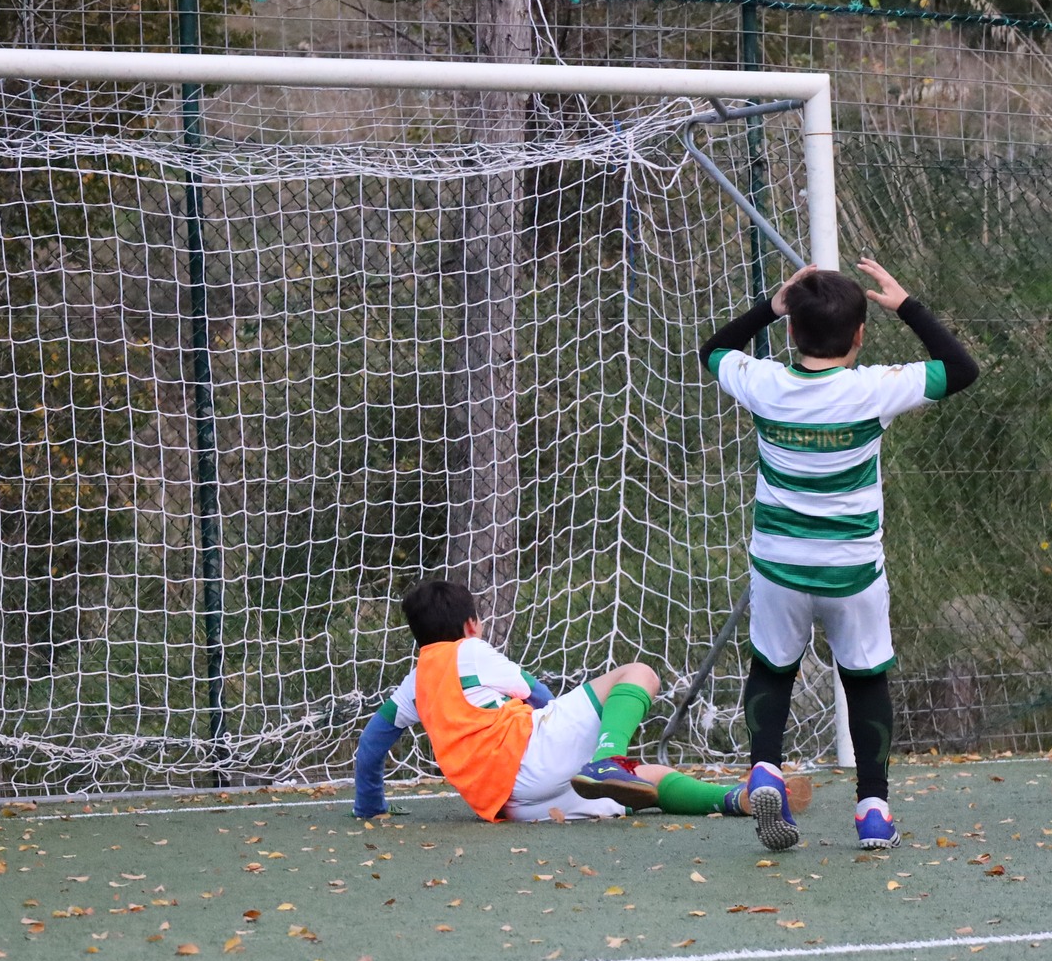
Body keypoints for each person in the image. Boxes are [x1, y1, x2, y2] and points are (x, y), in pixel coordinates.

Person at [699, 258, 980, 850]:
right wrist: (906, 305)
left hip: (779, 566)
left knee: (772, 667)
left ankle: (765, 769)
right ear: (858, 335)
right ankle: (873, 811)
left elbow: (716, 350)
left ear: (793, 332)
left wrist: (769, 308)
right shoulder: (871, 389)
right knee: (865, 676)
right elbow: (960, 368)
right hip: (852, 570)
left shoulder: (764, 384)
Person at [352, 578, 779, 828]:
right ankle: (606, 759)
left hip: (513, 804)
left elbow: (371, 746)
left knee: (645, 781)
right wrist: (565, 735)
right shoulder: (470, 651)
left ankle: (733, 800)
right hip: (534, 754)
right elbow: (536, 693)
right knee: (639, 674)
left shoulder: (413, 683)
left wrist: (370, 806)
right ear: (471, 625)